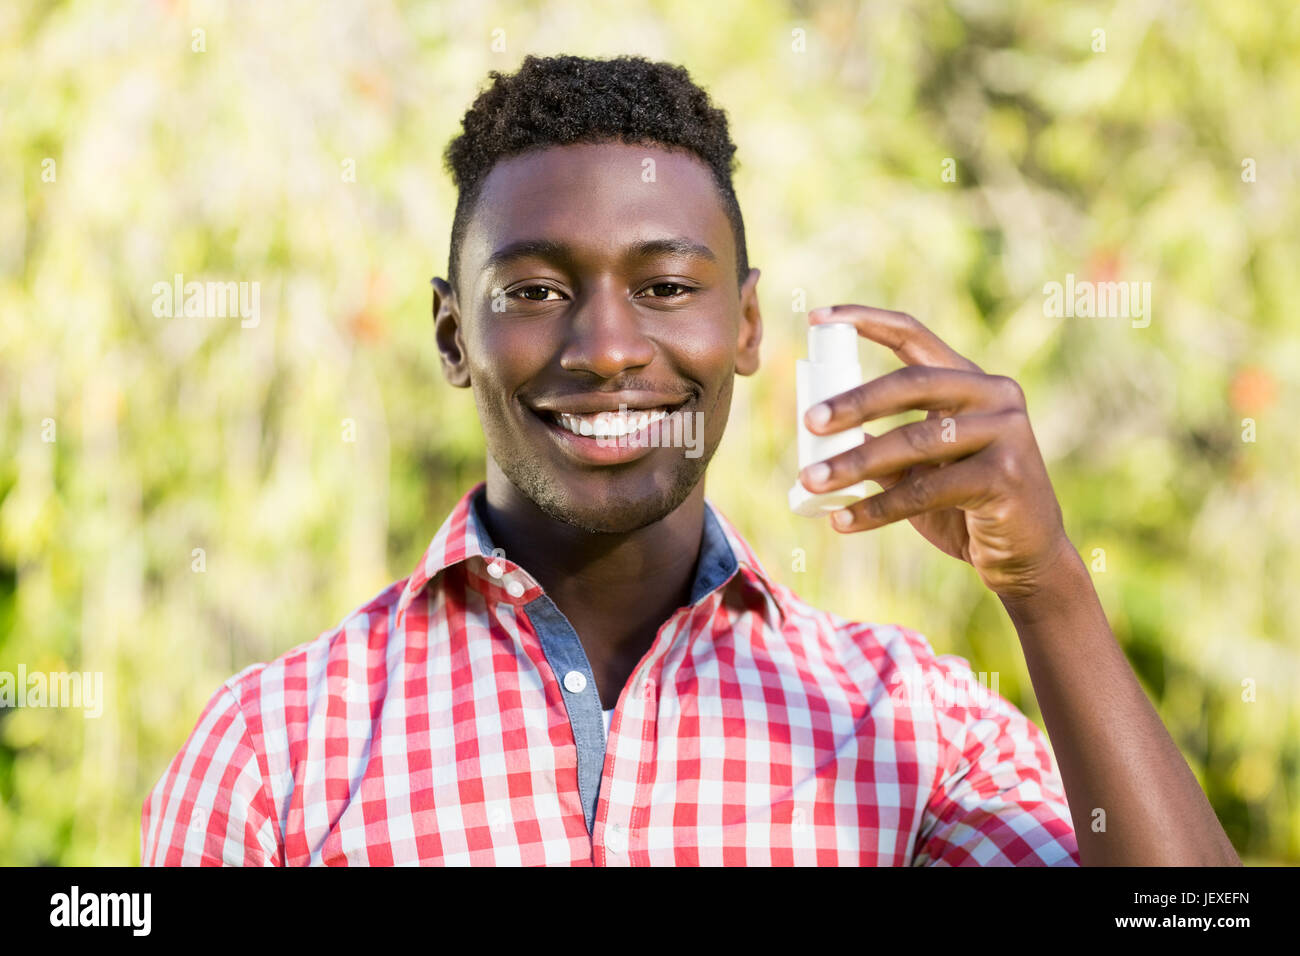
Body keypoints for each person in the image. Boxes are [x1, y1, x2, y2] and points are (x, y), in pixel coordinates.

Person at [142, 53, 1239, 866]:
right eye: (533, 291)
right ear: (450, 338)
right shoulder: (272, 751)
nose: (608, 348)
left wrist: (1045, 587)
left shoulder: (909, 723)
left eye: (665, 288)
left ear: (748, 328)